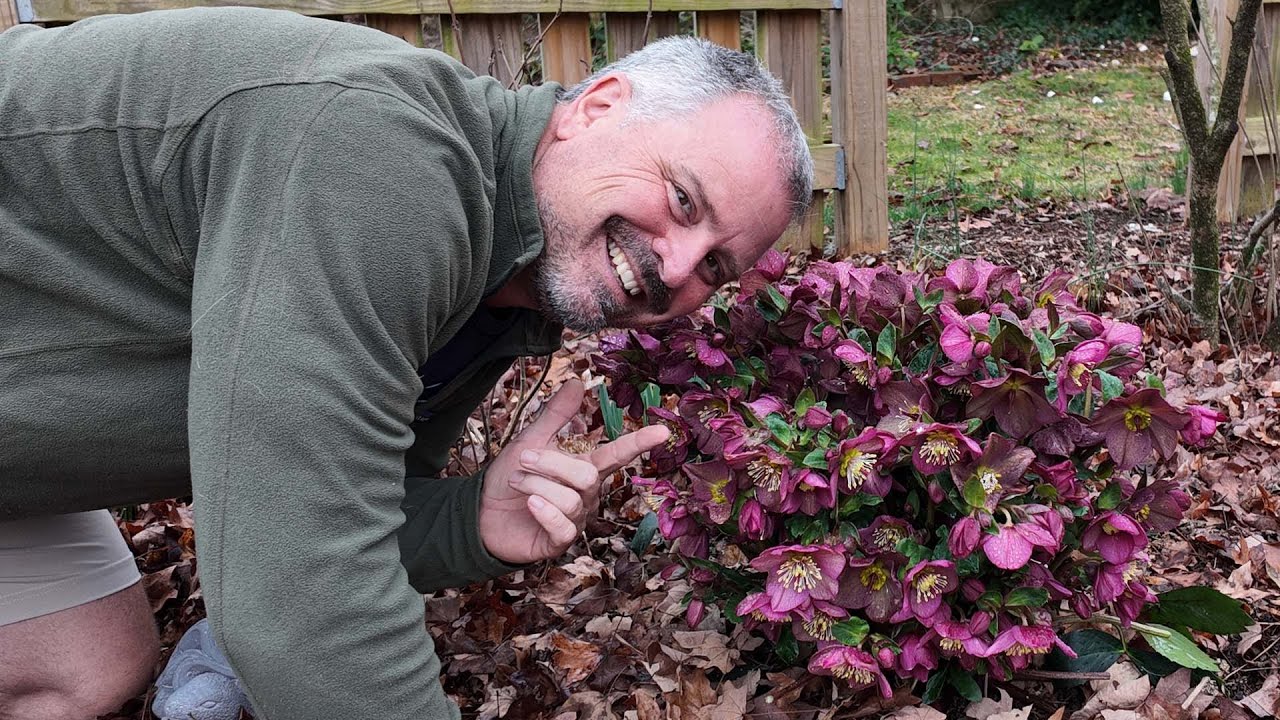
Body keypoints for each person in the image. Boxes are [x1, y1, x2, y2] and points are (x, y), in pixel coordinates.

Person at [0, 6, 813, 720]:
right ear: (595, 108)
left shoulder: (506, 287)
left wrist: (470, 520)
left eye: (716, 266)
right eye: (683, 200)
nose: (678, 266)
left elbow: (337, 515)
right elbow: (301, 600)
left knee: (84, 666)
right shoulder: (382, 161)